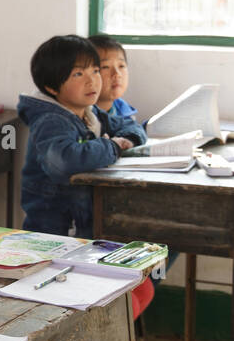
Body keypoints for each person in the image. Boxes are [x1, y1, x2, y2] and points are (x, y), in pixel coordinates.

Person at [17, 35, 146, 237]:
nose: (92, 80)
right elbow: (64, 160)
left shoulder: (89, 113)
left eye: (94, 71)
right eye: (78, 74)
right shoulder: (51, 121)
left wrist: (128, 139)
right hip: (55, 232)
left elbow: (129, 124)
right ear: (51, 87)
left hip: (82, 220)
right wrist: (113, 147)